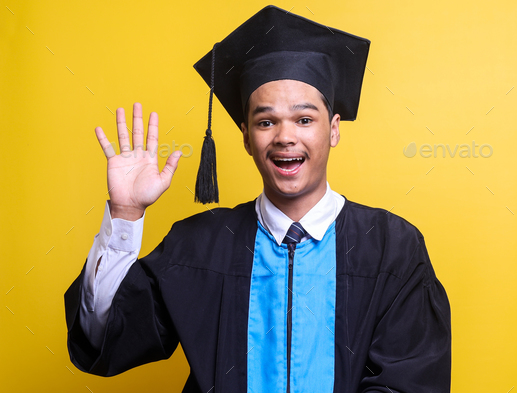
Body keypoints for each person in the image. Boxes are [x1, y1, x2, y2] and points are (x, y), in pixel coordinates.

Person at [65, 5, 451, 392]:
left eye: (304, 119)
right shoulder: (197, 246)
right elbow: (103, 338)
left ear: (333, 130)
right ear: (247, 138)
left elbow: (410, 382)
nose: (285, 137)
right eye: (266, 121)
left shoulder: (390, 249)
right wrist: (125, 213)